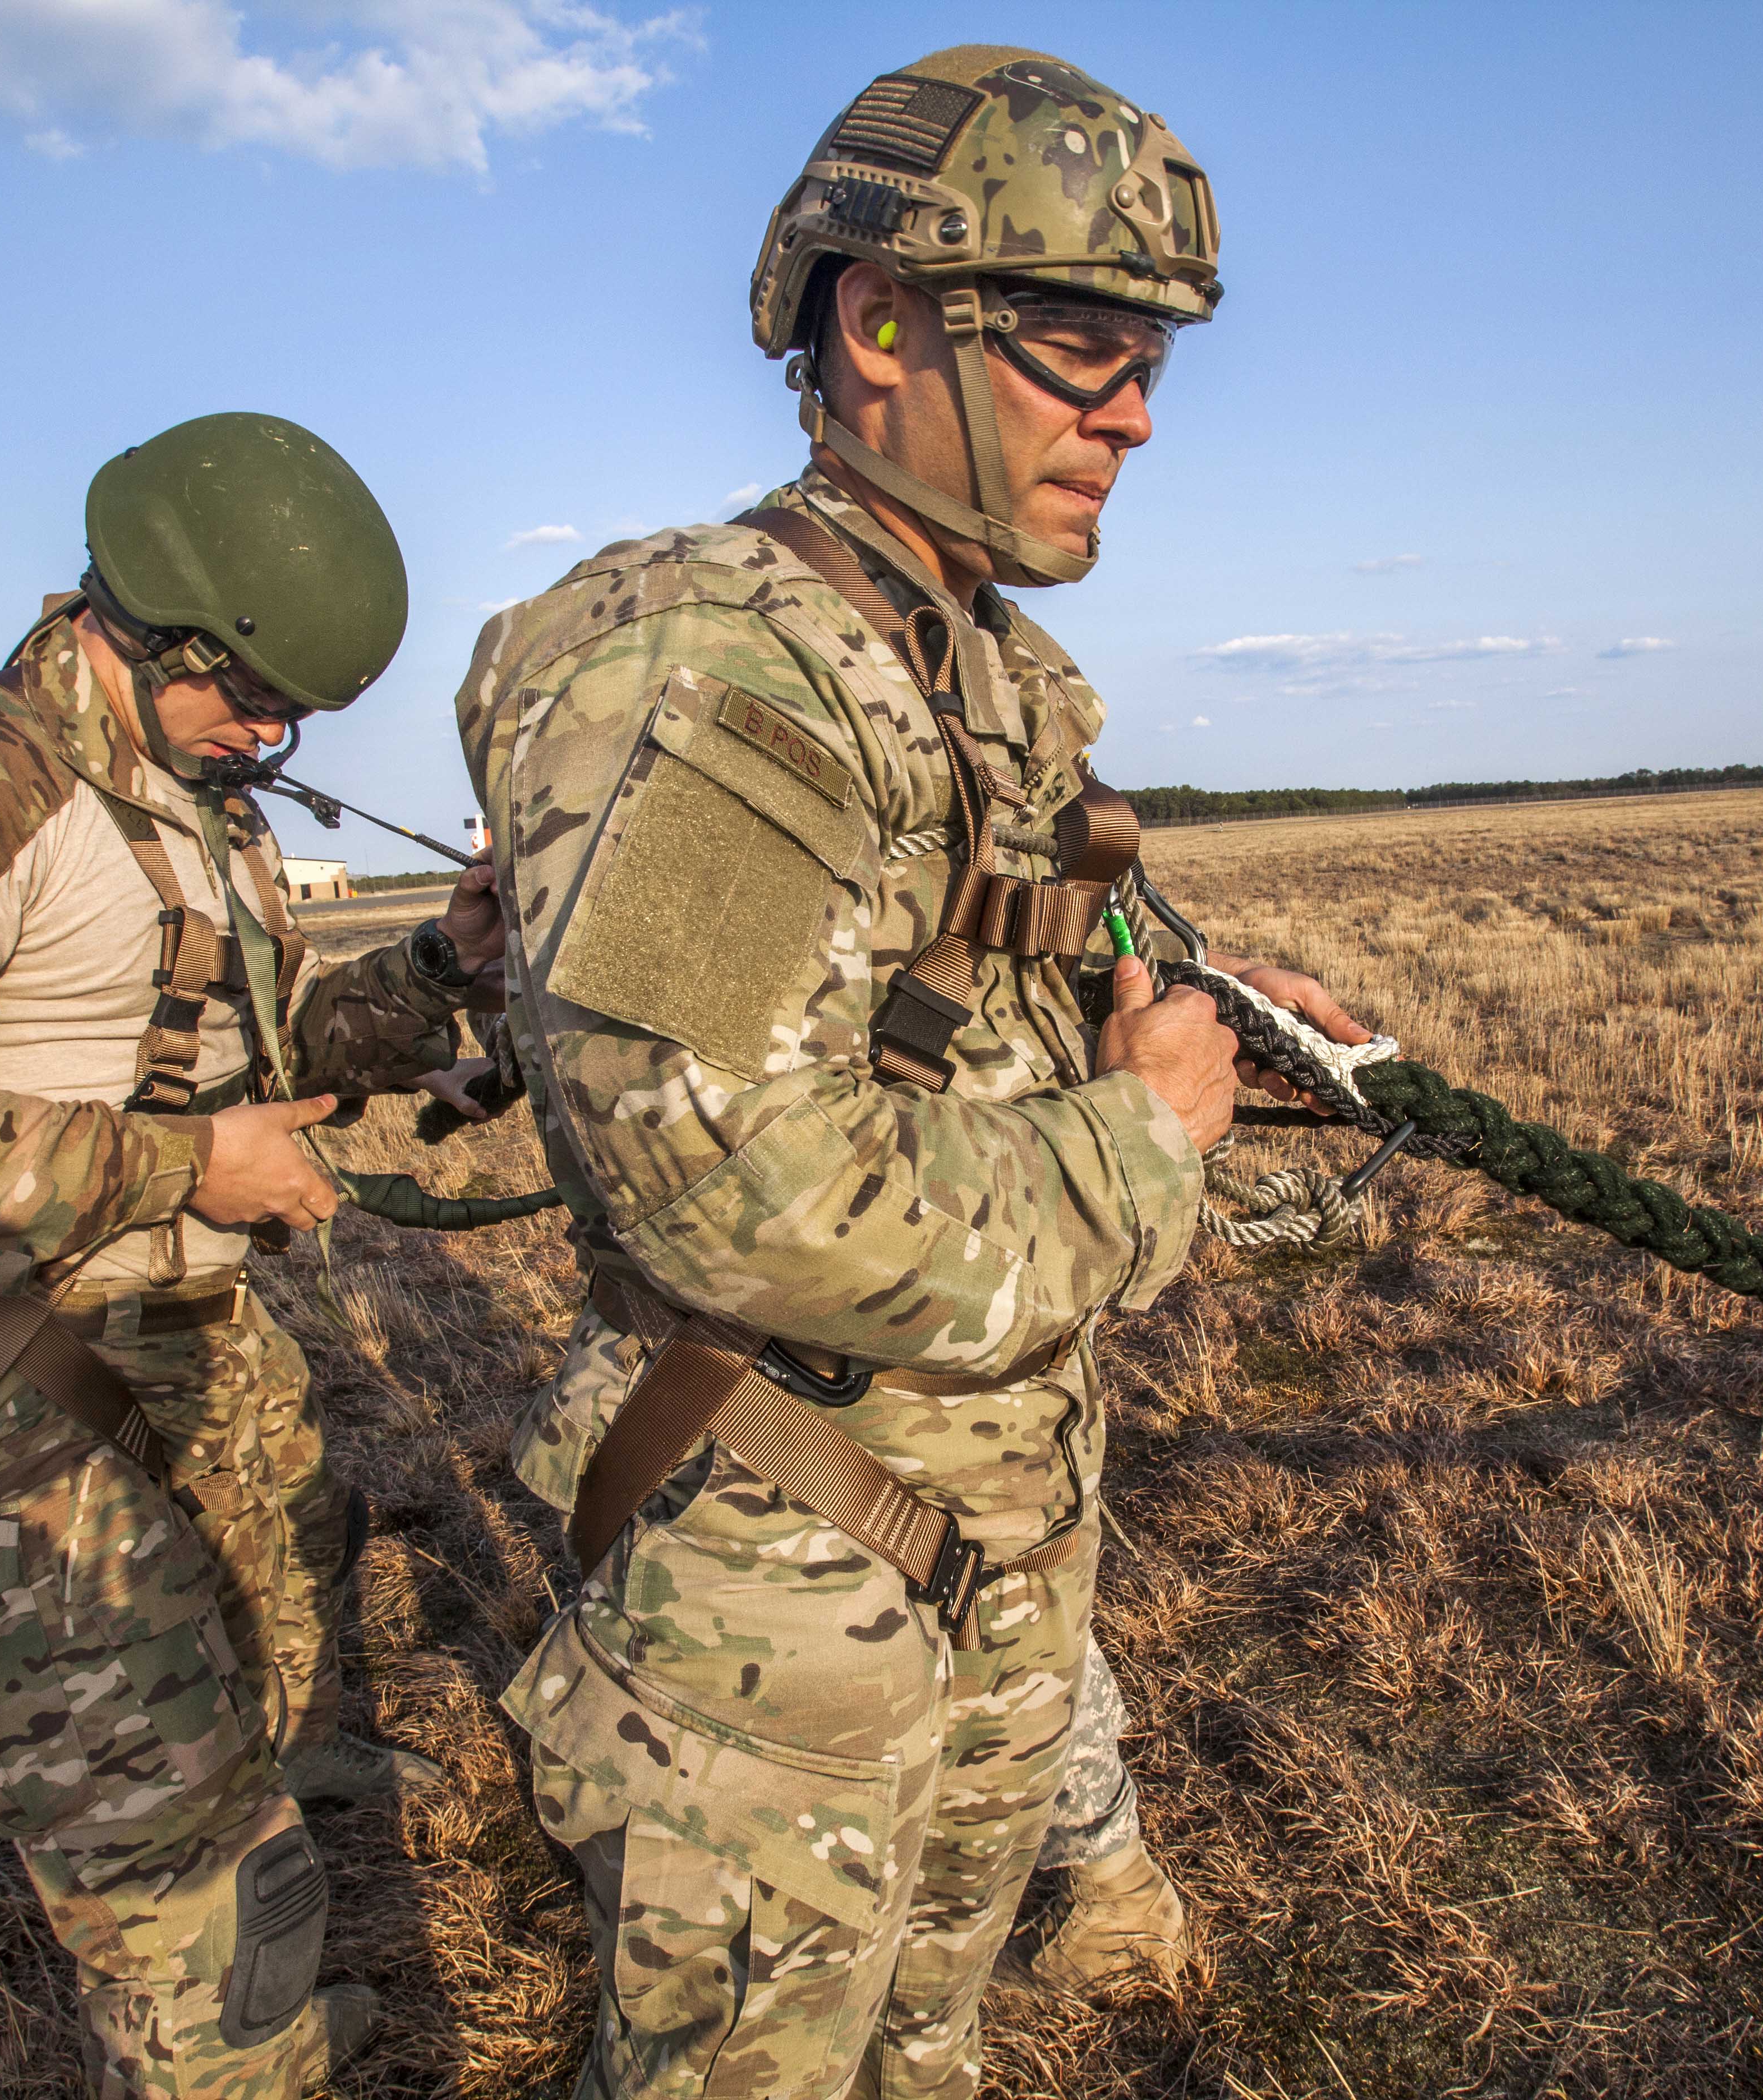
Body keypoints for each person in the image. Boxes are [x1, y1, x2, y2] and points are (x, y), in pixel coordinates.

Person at [453, 47, 1367, 2097]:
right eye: (1073, 342)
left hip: (988, 1548)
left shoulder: (975, 674)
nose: (1131, 409)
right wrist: (1143, 1143)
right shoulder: (721, 671)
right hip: (790, 1608)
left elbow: (1005, 1006)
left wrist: (1227, 1039)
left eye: (1151, 357)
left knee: (929, 2053)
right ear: (876, 325)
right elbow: (722, 1174)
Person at [0, 412, 502, 2093]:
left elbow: (265, 1056)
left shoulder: (203, 796)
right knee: (171, 1828)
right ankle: (164, 2020)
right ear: (140, 626)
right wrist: (193, 1162)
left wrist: (441, 965)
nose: (277, 739)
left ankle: (15, 1845)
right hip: (22, 1371)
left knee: (227, 1647)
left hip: (213, 1336)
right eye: (257, 697)